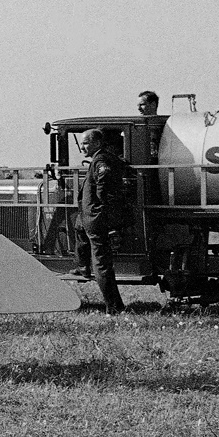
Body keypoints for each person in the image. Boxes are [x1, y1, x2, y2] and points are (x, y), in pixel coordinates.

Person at [73, 128, 128, 314]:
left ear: (96, 143)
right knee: (83, 237)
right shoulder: (101, 158)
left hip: (96, 218)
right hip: (90, 218)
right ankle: (82, 267)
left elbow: (103, 187)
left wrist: (100, 208)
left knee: (102, 265)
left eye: (85, 143)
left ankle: (113, 308)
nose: (82, 147)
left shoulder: (101, 160)